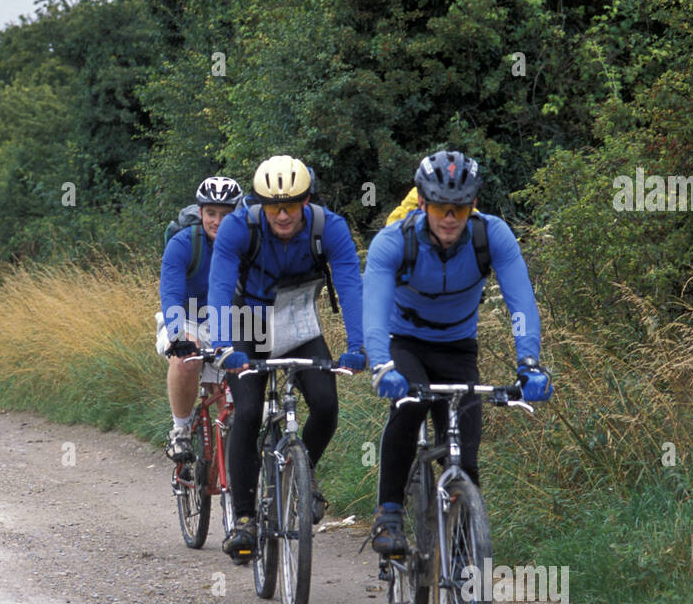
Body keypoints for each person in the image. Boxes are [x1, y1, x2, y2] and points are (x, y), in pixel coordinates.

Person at [362, 150, 553, 555]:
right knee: (409, 405)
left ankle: (468, 554)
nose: (450, 218)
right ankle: (389, 512)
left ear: (473, 207)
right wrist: (381, 364)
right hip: (406, 341)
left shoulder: (492, 235)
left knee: (466, 454)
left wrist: (530, 364)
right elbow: (374, 311)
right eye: (441, 208)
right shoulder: (394, 242)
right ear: (424, 204)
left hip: (457, 346)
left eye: (460, 209)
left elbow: (522, 302)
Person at [206, 155, 367, 564]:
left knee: (327, 406)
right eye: (272, 205)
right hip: (250, 322)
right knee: (246, 412)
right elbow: (221, 287)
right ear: (259, 203)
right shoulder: (238, 226)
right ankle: (244, 518)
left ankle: (301, 474)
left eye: (291, 205)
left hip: (298, 320)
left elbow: (349, 283)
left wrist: (359, 344)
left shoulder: (328, 227)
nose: (281, 214)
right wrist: (225, 347)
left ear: (306, 200)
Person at [158, 176, 243, 461]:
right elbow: (170, 296)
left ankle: (234, 465)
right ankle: (180, 431)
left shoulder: (248, 244)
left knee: (235, 387)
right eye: (211, 214)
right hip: (187, 317)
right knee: (184, 361)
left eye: (225, 215)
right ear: (200, 212)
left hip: (229, 319)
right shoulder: (184, 244)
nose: (217, 221)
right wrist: (180, 335)